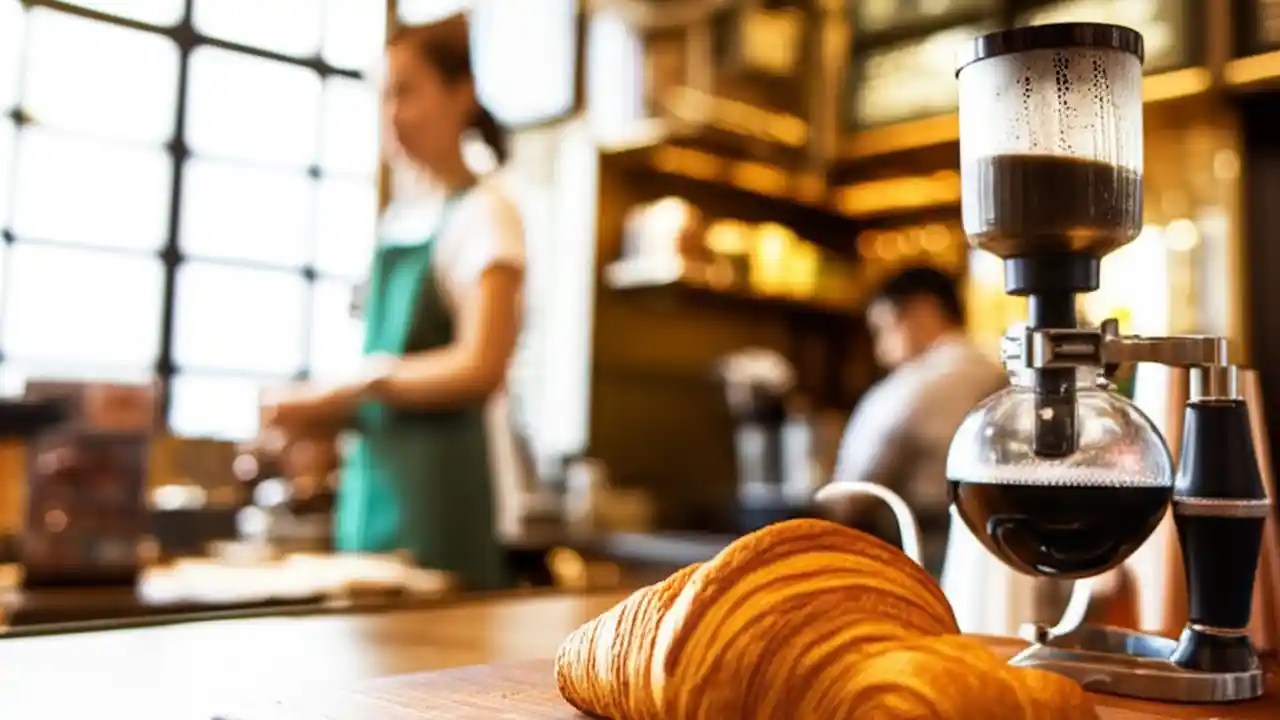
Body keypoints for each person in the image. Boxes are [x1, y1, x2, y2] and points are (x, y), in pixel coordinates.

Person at [262, 15, 523, 591]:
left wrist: (360, 386)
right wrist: (322, 418)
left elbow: (481, 366)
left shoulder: (485, 213)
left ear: (462, 95)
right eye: (383, 97)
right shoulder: (398, 220)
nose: (392, 115)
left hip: (441, 505)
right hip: (371, 501)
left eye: (407, 92)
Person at [816, 267, 1006, 578]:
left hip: (920, 557)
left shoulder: (910, 387)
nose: (880, 351)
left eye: (882, 329)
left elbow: (851, 497)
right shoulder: (1000, 375)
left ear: (923, 312)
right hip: (998, 555)